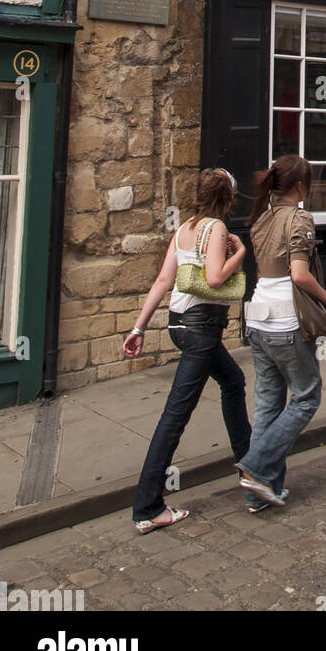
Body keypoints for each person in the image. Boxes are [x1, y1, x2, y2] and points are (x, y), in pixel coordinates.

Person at [123, 167, 249, 534]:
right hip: (201, 330)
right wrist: (239, 254)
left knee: (233, 381)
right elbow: (213, 278)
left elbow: (164, 280)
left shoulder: (184, 229)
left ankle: (248, 461)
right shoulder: (216, 228)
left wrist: (138, 327)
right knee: (175, 415)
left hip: (179, 325)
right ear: (227, 199)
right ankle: (148, 506)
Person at [235, 154, 326, 509]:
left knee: (268, 404)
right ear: (300, 186)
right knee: (305, 398)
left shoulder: (261, 219)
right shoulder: (299, 218)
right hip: (287, 321)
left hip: (256, 319)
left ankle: (260, 492)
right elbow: (299, 274)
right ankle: (256, 468)